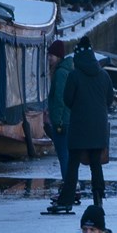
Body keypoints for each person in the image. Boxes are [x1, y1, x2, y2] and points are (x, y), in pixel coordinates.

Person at [56, 37, 114, 212]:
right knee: (95, 163)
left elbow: (67, 99)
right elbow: (110, 100)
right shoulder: (104, 74)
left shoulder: (74, 75)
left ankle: (66, 200)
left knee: (73, 163)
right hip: (99, 127)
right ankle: (98, 198)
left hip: (79, 127)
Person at [40, 40, 73, 216]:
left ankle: (68, 190)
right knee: (67, 155)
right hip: (68, 119)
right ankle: (71, 188)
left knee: (64, 156)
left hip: (63, 121)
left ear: (58, 56)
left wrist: (57, 121)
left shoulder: (60, 73)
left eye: (51, 55)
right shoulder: (67, 70)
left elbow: (60, 99)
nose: (49, 58)